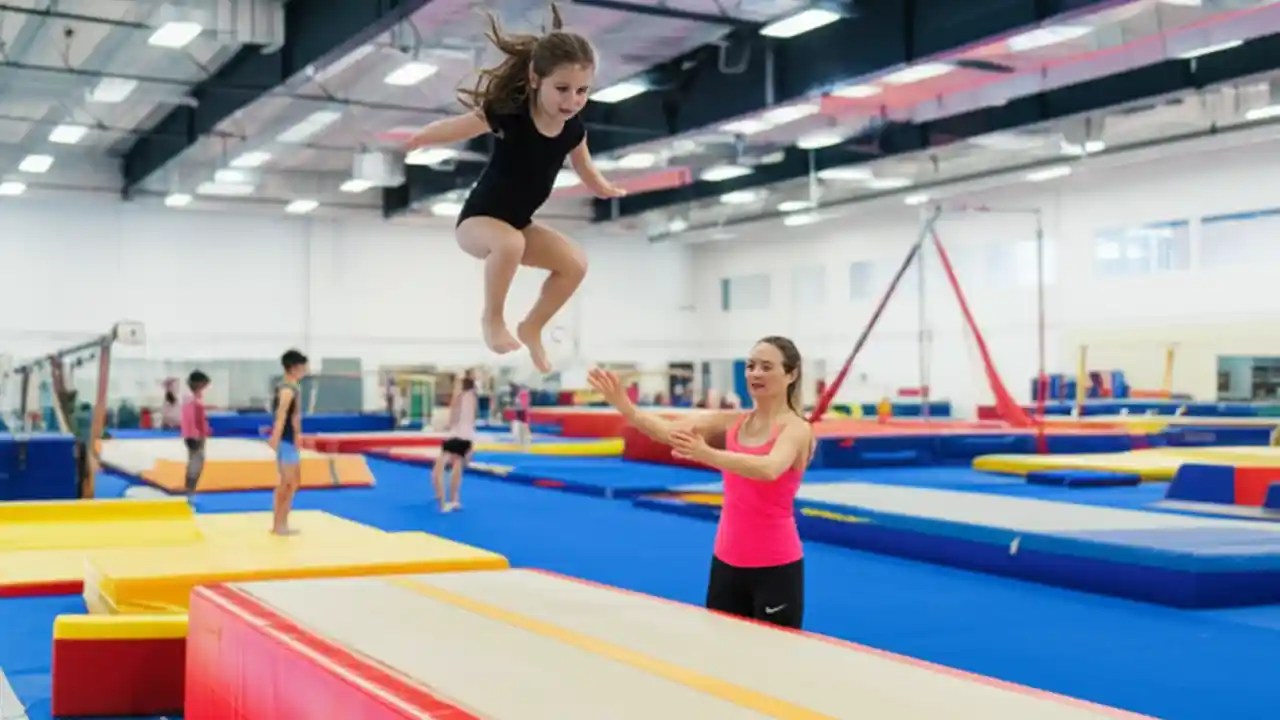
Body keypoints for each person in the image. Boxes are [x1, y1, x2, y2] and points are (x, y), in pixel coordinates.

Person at [400, 3, 625, 373]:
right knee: (509, 243)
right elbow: (462, 126)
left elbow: (585, 165)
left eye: (583, 90)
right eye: (563, 89)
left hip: (520, 223)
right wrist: (422, 137)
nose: (573, 101)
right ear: (536, 79)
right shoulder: (512, 113)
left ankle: (532, 326)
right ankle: (492, 319)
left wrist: (603, 187)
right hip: (478, 222)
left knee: (575, 264)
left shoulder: (572, 128)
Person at [588, 336, 814, 629]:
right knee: (721, 653)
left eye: (766, 367)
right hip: (727, 560)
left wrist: (706, 453)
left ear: (791, 374)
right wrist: (626, 407)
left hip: (775, 565)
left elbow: (769, 468)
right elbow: (668, 432)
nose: (755, 373)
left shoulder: (797, 428)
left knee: (772, 661)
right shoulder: (732, 421)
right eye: (751, 366)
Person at [268, 349, 309, 535]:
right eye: (303, 367)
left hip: (289, 440)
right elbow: (281, 414)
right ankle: (279, 524)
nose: (306, 370)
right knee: (288, 483)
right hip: (285, 440)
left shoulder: (292, 386)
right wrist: (275, 438)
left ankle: (280, 522)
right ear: (294, 368)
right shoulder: (287, 389)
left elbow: (294, 416)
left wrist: (298, 437)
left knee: (291, 482)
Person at [434, 375, 478, 512]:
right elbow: (472, 418)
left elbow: (453, 417)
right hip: (468, 437)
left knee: (438, 471)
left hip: (456, 436)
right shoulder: (473, 397)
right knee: (457, 468)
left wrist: (447, 425)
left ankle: (441, 502)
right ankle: (454, 500)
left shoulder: (459, 396)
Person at [180, 370, 212, 496]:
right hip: (194, 436)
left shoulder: (196, 397)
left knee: (197, 461)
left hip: (198, 434)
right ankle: (189, 490)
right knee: (196, 461)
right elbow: (189, 418)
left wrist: (205, 430)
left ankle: (191, 489)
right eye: (204, 385)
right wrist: (192, 435)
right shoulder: (190, 398)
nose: (205, 388)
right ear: (198, 384)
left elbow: (199, 417)